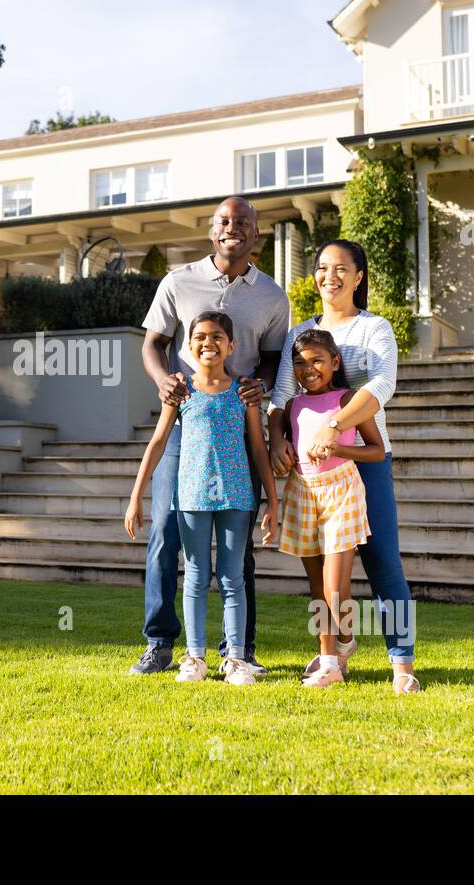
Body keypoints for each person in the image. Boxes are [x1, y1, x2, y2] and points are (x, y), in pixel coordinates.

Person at [130, 197, 289, 676]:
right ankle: (161, 643)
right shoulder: (178, 281)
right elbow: (154, 344)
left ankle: (237, 650)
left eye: (242, 222)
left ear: (255, 234)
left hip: (240, 423)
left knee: (237, 545)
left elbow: (272, 356)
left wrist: (258, 385)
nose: (232, 228)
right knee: (164, 529)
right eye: (224, 221)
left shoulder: (272, 296)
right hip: (188, 421)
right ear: (211, 230)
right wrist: (162, 381)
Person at [268, 239, 421, 694]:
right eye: (321, 267)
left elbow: (383, 383)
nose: (329, 276)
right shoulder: (300, 332)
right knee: (321, 574)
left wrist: (335, 425)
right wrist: (277, 441)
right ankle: (339, 646)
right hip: (311, 475)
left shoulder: (375, 328)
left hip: (365, 463)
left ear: (359, 277)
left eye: (341, 268)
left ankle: (402, 664)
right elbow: (281, 398)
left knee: (382, 562)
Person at [125, 311, 278, 684]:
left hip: (237, 495)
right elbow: (158, 442)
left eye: (216, 337)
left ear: (231, 345)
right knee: (195, 576)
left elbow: (259, 449)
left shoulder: (244, 393)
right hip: (191, 495)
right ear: (188, 346)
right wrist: (135, 497)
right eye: (200, 337)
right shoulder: (181, 392)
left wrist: (273, 502)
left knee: (232, 578)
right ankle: (194, 658)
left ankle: (237, 659)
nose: (208, 342)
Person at [275, 328, 384, 688]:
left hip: (342, 492)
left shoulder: (348, 400)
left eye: (317, 361)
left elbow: (376, 450)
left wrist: (339, 448)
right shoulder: (292, 405)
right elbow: (287, 440)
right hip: (303, 493)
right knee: (317, 585)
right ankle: (330, 657)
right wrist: (285, 454)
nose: (308, 370)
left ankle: (338, 651)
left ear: (335, 362)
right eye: (300, 364)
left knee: (335, 586)